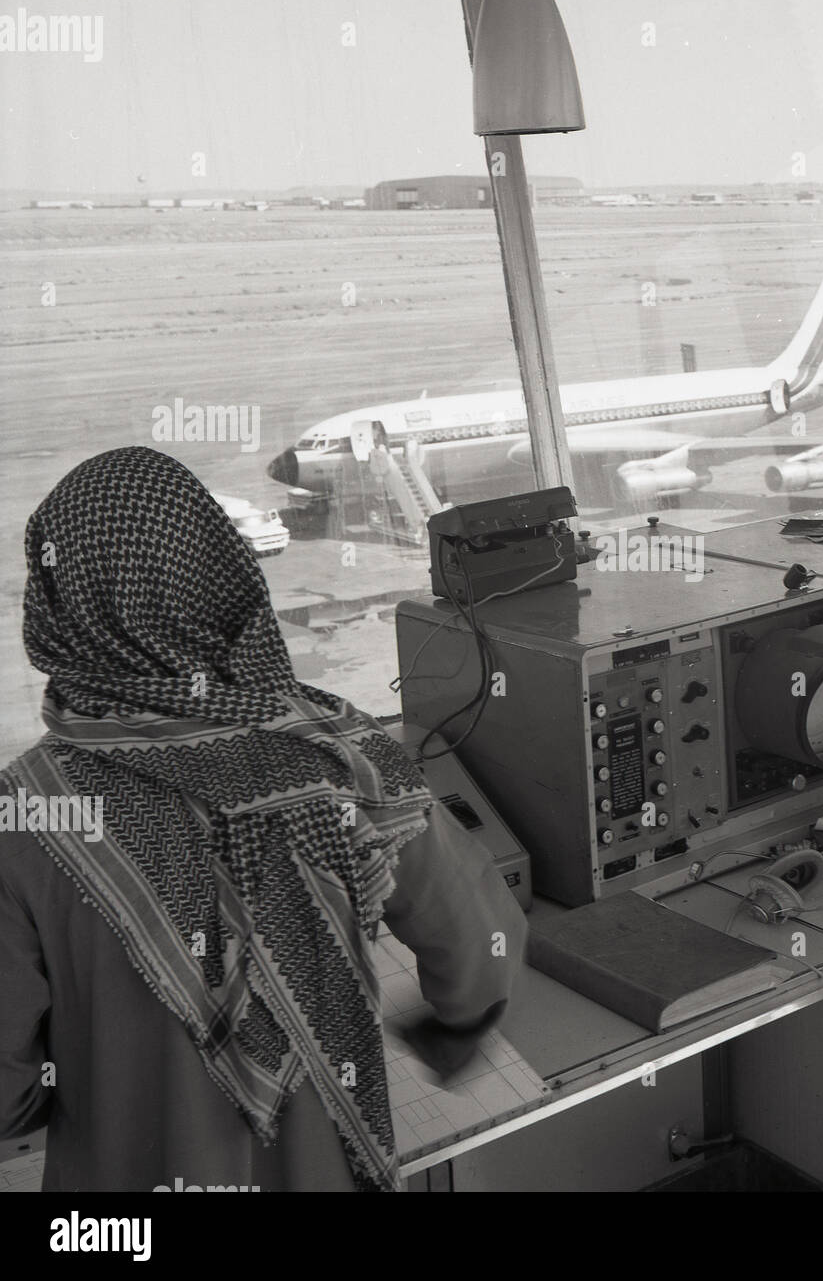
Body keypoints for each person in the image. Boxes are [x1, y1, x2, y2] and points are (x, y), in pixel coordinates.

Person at [0, 446, 526, 1191]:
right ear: (219, 568)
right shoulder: (338, 749)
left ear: (60, 606)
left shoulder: (25, 814)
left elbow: (7, 1092)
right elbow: (484, 943)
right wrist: (445, 1036)